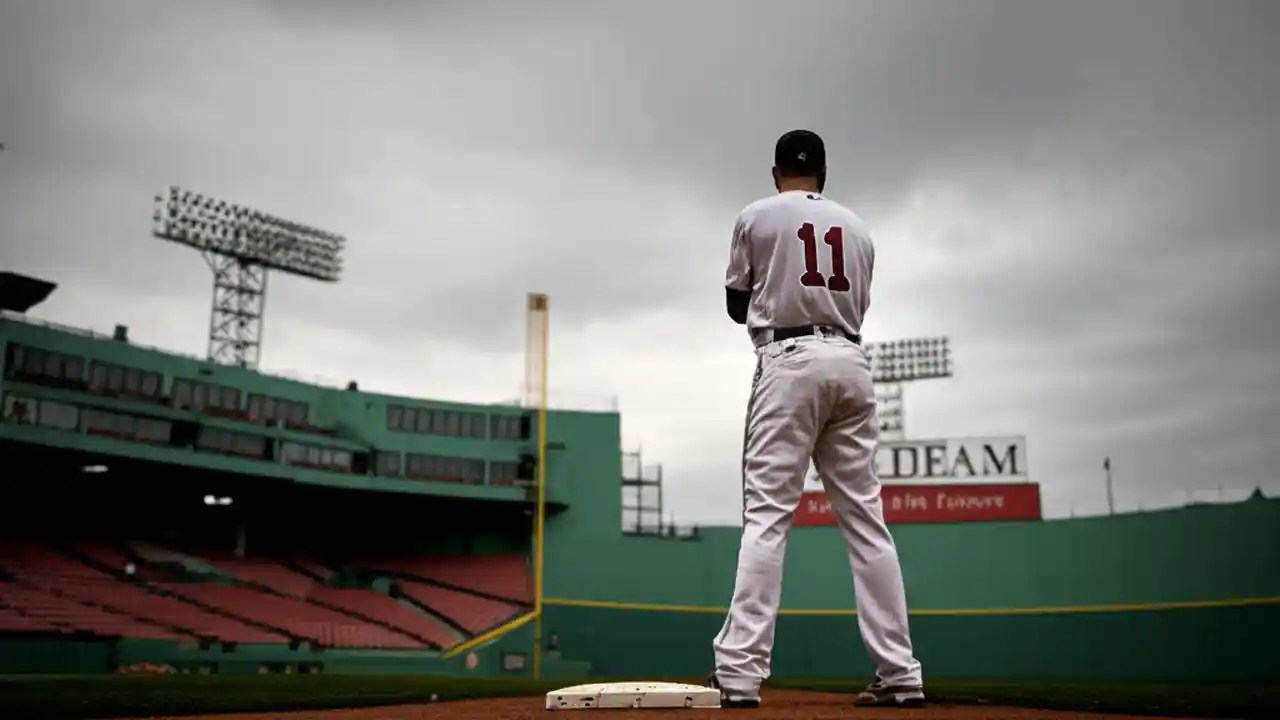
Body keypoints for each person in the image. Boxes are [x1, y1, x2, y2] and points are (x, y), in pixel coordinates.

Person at [706, 129, 924, 709]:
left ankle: (740, 674)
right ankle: (901, 674)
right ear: (824, 175)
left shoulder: (757, 214)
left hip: (790, 359)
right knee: (867, 522)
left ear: (777, 172)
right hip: (851, 361)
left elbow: (735, 305)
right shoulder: (858, 227)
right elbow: (858, 300)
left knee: (769, 517)